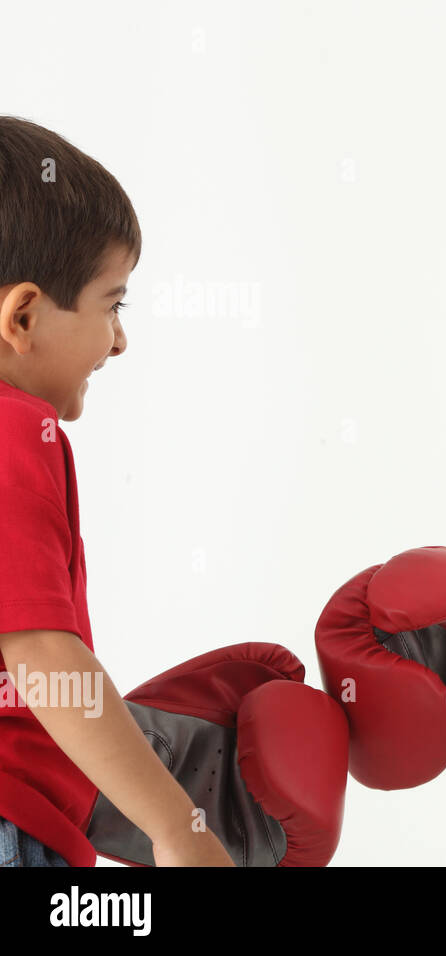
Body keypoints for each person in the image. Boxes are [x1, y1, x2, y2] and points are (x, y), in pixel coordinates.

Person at [0, 116, 233, 867]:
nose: (119, 342)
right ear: (24, 316)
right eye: (112, 306)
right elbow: (38, 650)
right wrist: (176, 826)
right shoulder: (14, 434)